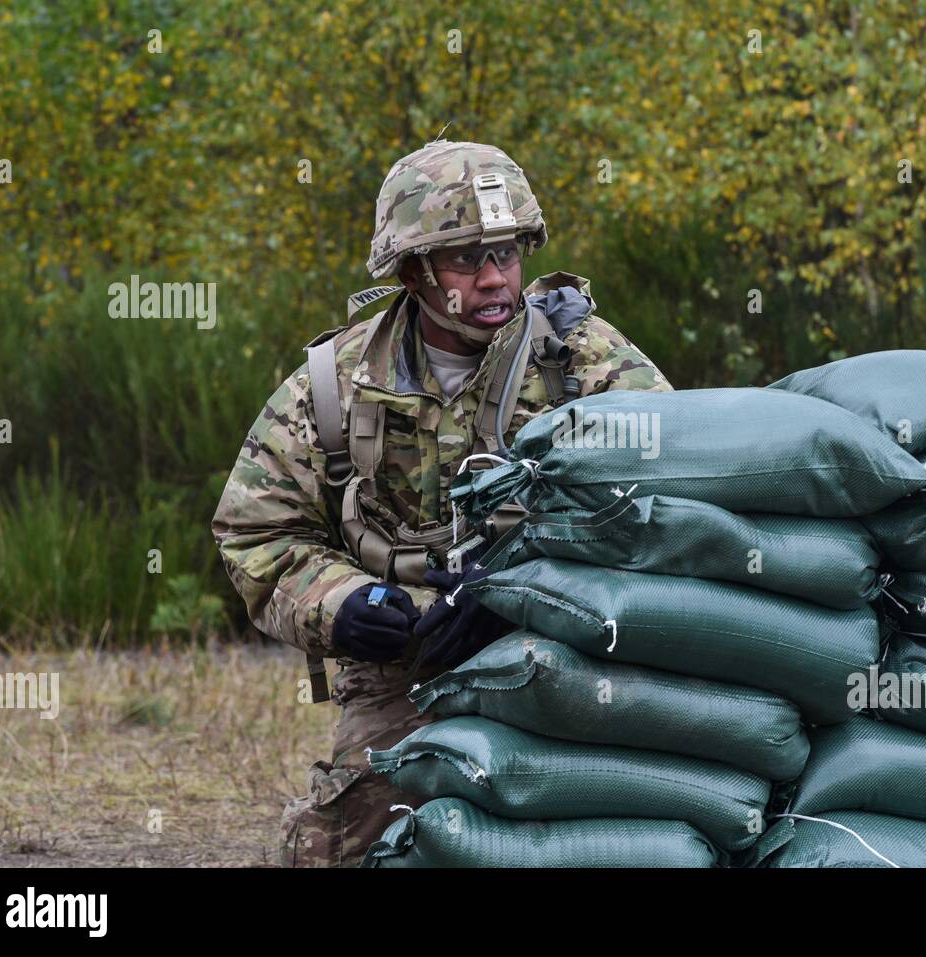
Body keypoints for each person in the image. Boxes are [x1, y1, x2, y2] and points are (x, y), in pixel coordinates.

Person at [211, 140, 671, 867]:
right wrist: (344, 605)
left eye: (507, 255)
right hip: (406, 666)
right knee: (347, 845)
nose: (495, 281)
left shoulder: (588, 363)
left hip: (566, 646)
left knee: (611, 830)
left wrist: (520, 591)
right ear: (412, 270)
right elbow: (256, 531)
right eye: (466, 261)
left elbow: (673, 500)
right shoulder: (334, 386)